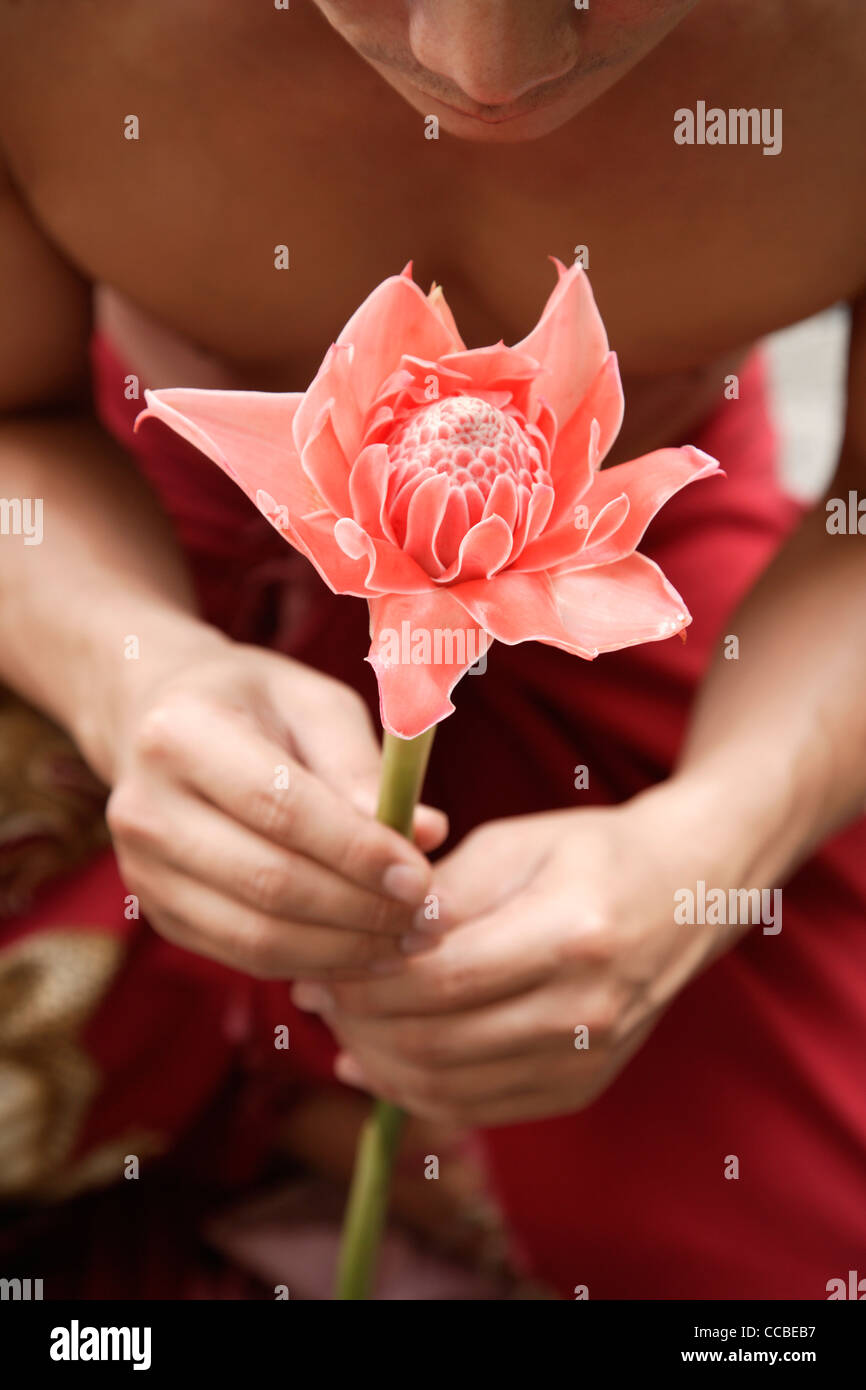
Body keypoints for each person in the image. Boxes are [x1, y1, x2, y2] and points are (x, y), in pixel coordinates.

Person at [0, 0, 864, 1299]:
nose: (485, 76)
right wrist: (132, 676)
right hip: (98, 526)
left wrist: (710, 844)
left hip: (626, 574)